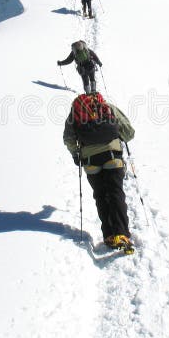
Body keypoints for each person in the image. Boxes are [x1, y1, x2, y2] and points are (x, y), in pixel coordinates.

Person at [63, 91, 136, 251]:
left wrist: (77, 154)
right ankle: (121, 233)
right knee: (116, 193)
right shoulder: (108, 108)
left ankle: (109, 235)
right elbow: (129, 132)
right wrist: (119, 137)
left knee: (101, 195)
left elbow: (68, 138)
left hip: (90, 161)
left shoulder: (75, 113)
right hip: (112, 156)